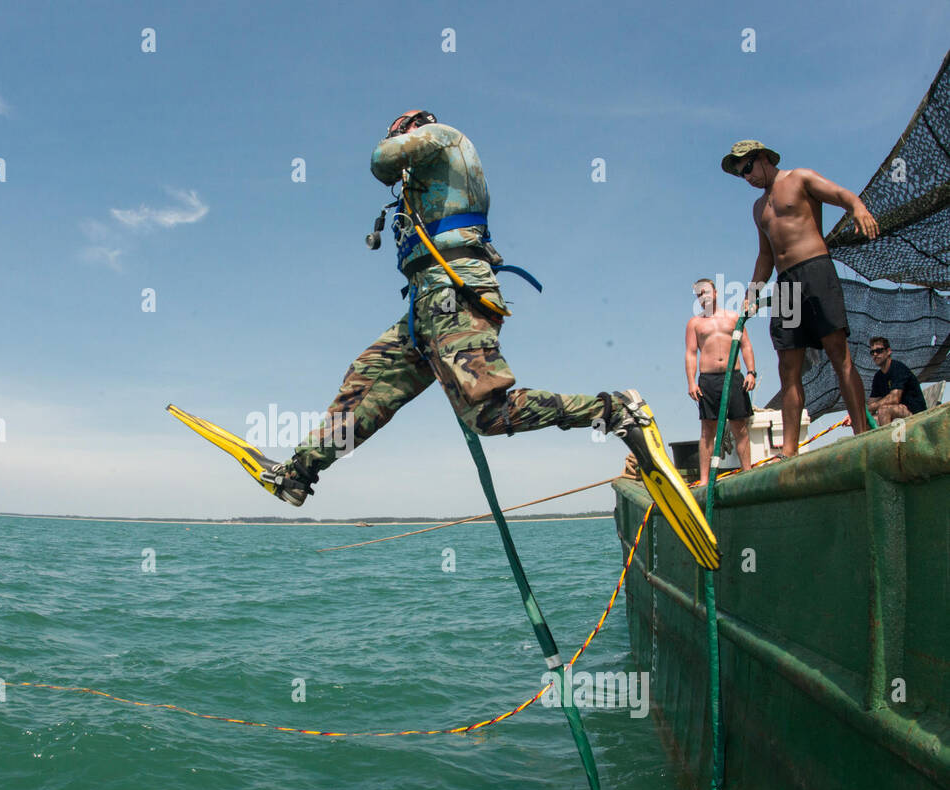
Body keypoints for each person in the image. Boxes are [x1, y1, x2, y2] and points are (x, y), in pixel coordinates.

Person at [244, 110, 717, 567]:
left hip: (456, 292)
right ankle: (301, 471)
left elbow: (380, 160)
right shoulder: (424, 176)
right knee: (364, 385)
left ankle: (615, 408)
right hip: (423, 306)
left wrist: (398, 146)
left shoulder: (443, 137)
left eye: (398, 131)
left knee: (487, 415)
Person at [724, 139, 878, 457]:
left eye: (749, 168)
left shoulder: (800, 178)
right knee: (787, 366)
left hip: (816, 271)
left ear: (764, 158)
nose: (747, 177)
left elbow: (841, 195)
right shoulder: (758, 209)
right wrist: (752, 294)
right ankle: (790, 450)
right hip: (786, 286)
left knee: (839, 354)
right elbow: (765, 257)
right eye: (741, 174)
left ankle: (864, 434)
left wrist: (857, 207)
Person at [686, 278, 755, 484]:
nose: (703, 297)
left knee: (739, 427)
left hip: (733, 377)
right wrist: (691, 382)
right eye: (699, 295)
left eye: (706, 292)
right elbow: (690, 354)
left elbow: (746, 346)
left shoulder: (733, 317)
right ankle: (705, 479)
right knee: (707, 430)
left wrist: (751, 372)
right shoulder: (695, 323)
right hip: (708, 380)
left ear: (715, 293)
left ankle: (747, 473)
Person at [867, 336, 927, 425]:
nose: (875, 354)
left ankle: (888, 439)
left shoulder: (898, 368)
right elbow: (870, 405)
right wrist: (859, 416)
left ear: (888, 351)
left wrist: (871, 407)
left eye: (879, 351)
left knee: (884, 410)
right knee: (866, 421)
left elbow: (894, 398)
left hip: (915, 414)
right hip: (897, 415)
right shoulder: (878, 377)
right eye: (872, 352)